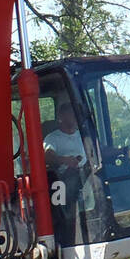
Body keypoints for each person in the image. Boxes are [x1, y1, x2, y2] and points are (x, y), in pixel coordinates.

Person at [44, 101, 90, 243]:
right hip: (62, 180)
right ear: (61, 116)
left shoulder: (83, 136)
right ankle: (67, 228)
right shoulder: (53, 138)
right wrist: (64, 160)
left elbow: (97, 150)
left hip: (86, 175)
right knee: (71, 180)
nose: (75, 116)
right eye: (71, 112)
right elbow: (47, 154)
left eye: (76, 112)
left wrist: (120, 152)